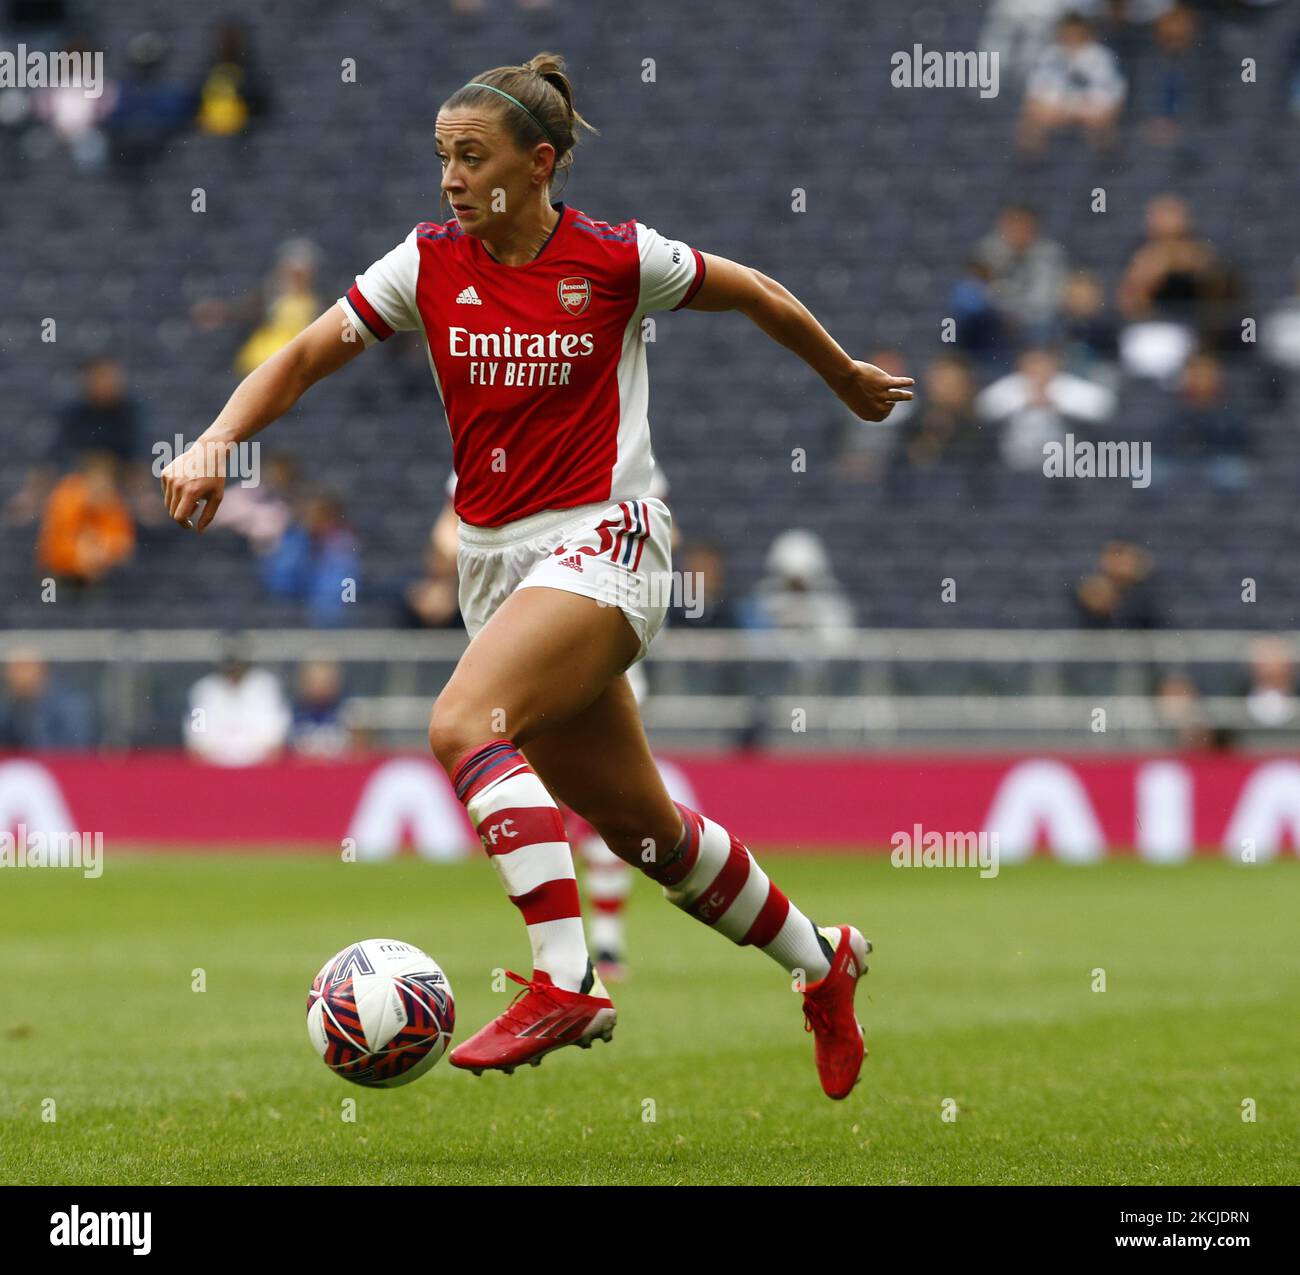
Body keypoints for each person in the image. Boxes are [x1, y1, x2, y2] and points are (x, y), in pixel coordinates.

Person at [160, 52, 912, 1100]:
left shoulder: (614, 258)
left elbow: (755, 291)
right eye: (441, 158)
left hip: (608, 539)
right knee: (651, 837)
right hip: (494, 565)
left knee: (463, 725)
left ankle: (569, 978)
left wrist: (845, 376)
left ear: (540, 161)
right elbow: (297, 359)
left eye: (472, 157)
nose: (450, 179)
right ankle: (821, 962)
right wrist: (215, 439)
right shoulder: (423, 263)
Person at [184, 640, 291, 766]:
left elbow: (276, 734)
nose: (234, 667)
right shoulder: (203, 689)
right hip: (214, 768)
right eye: (230, 662)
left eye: (238, 662)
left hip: (259, 768)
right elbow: (196, 735)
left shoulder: (266, 686)